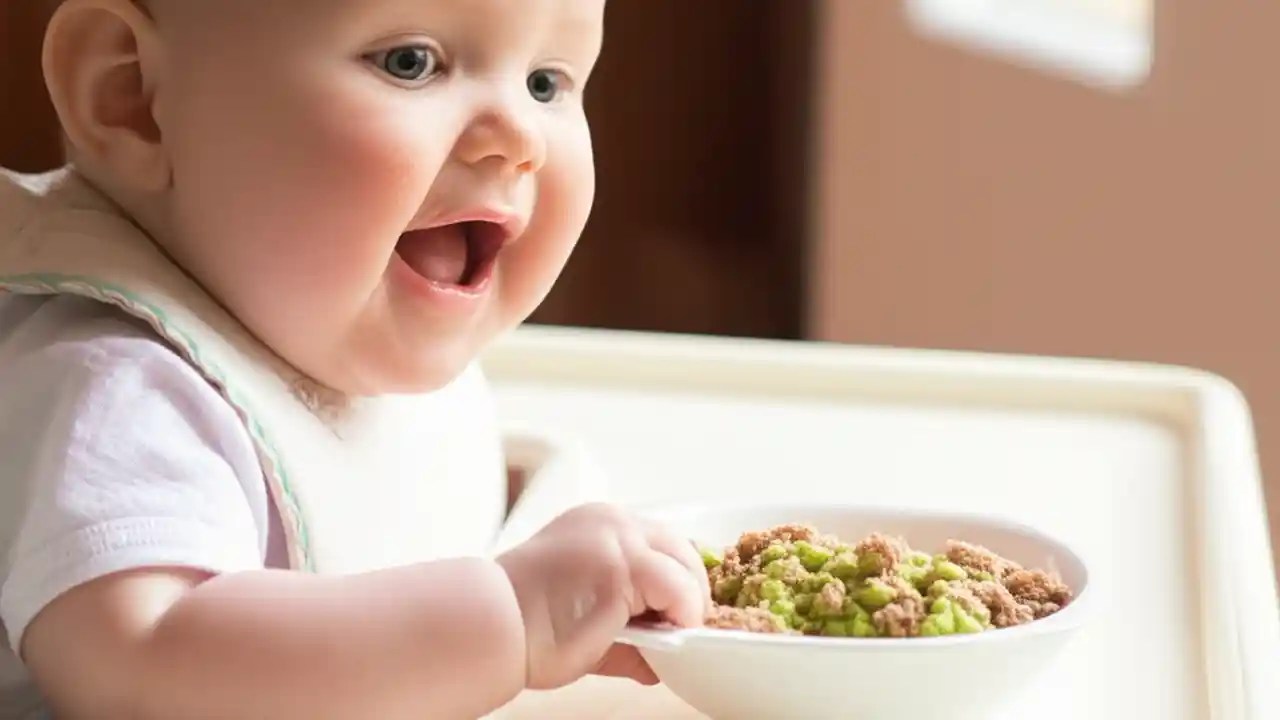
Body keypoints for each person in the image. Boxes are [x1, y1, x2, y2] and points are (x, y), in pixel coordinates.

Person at [0, 1, 709, 717]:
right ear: (133, 99)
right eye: (411, 63)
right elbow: (138, 667)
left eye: (545, 83)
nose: (518, 138)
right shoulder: (122, 391)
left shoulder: (333, 330)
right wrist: (517, 619)